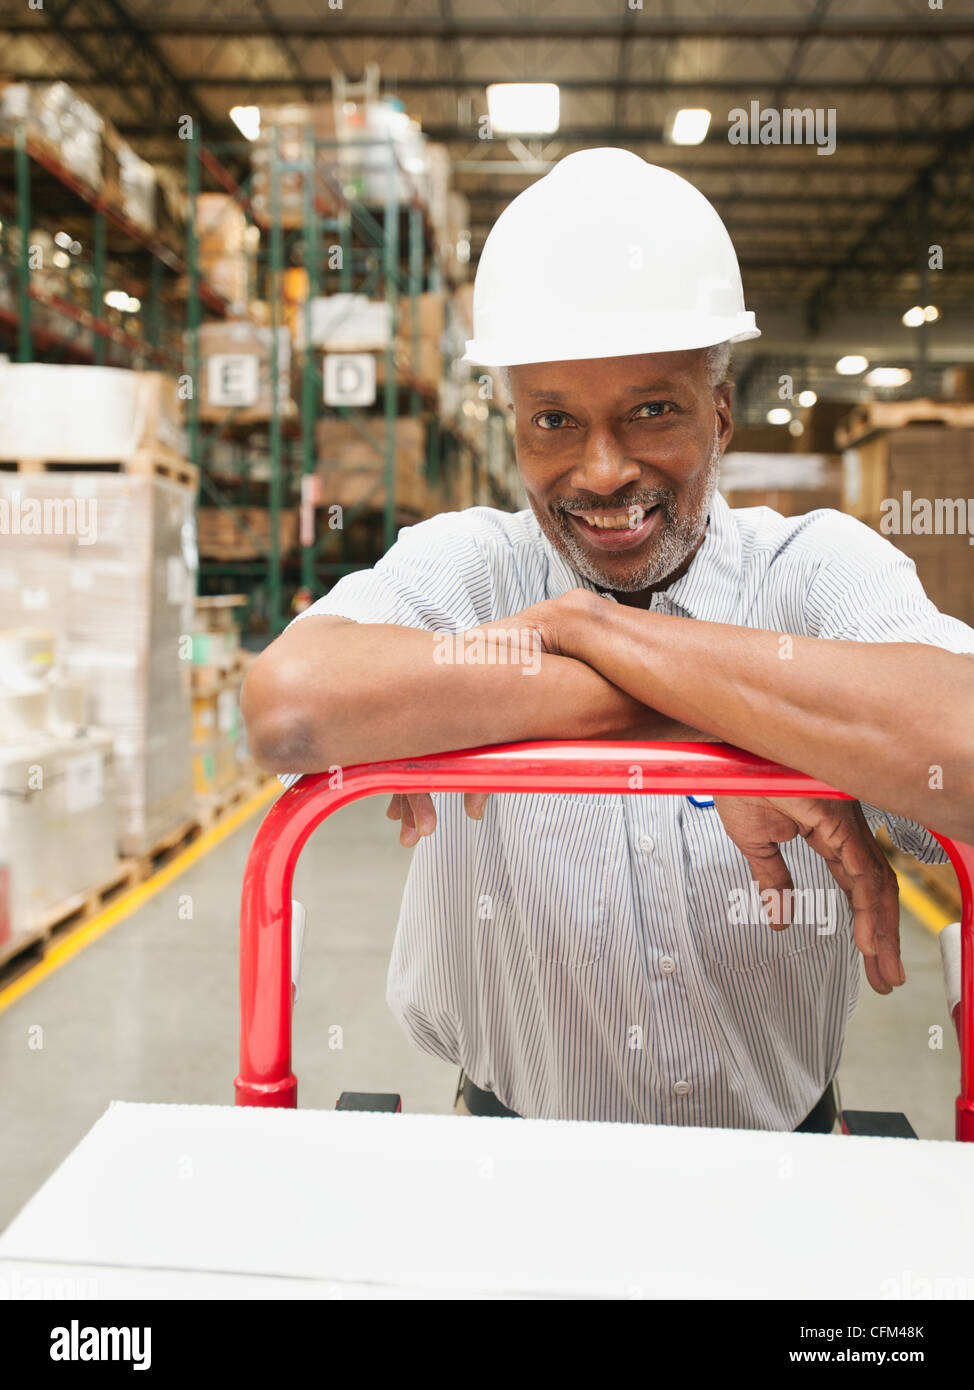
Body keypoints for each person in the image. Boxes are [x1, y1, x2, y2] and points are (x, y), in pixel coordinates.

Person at [242, 148, 974, 1130]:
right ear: (513, 427)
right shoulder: (470, 572)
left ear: (719, 412)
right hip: (508, 1155)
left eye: (651, 412)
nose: (599, 469)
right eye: (553, 420)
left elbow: (960, 755)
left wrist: (579, 632)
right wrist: (747, 733)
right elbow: (290, 707)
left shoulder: (810, 570)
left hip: (781, 1172)